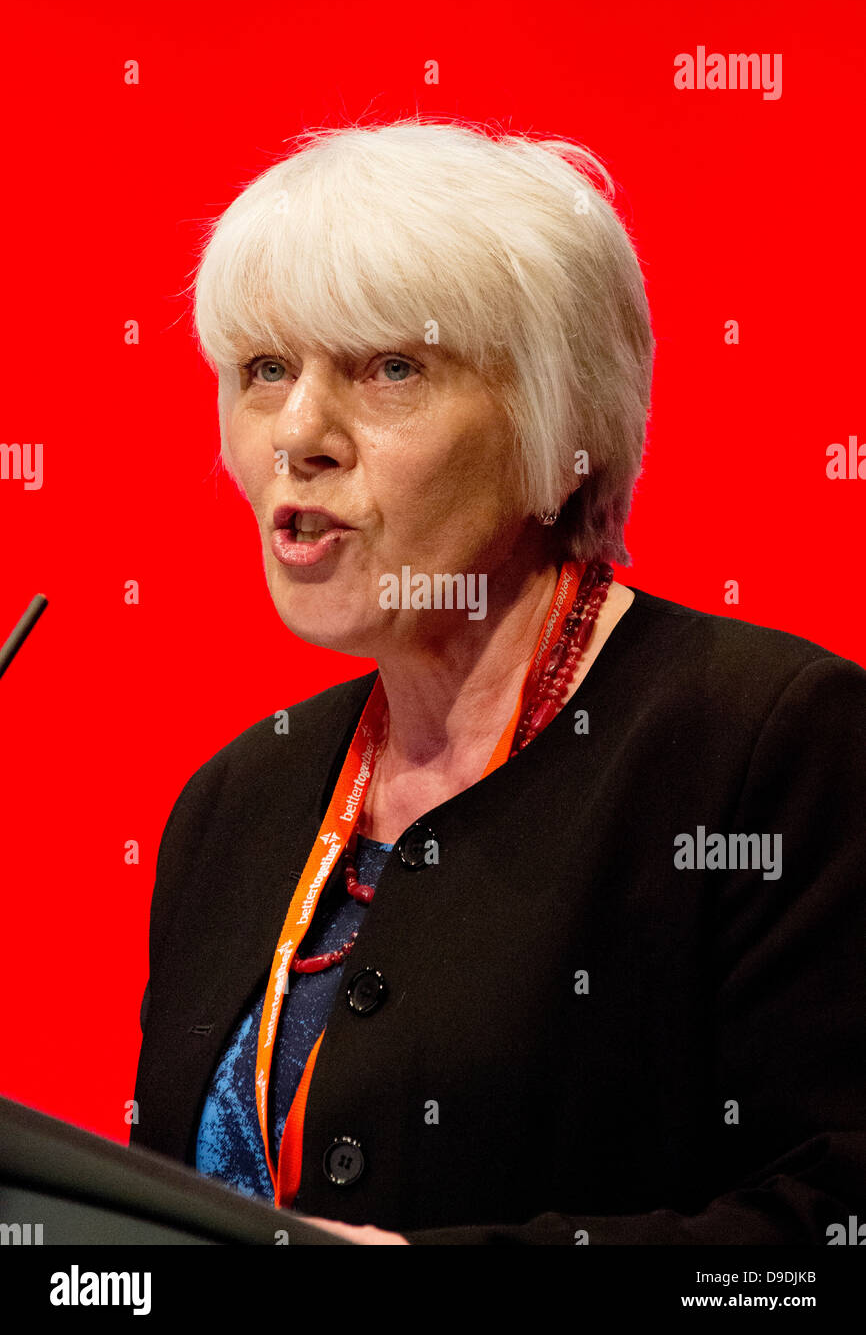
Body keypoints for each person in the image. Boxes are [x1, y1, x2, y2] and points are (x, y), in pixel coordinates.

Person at [131, 118, 866, 1244]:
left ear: (554, 426)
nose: (297, 436)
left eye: (388, 367)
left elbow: (831, 1226)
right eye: (264, 371)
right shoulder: (232, 804)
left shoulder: (764, 745)